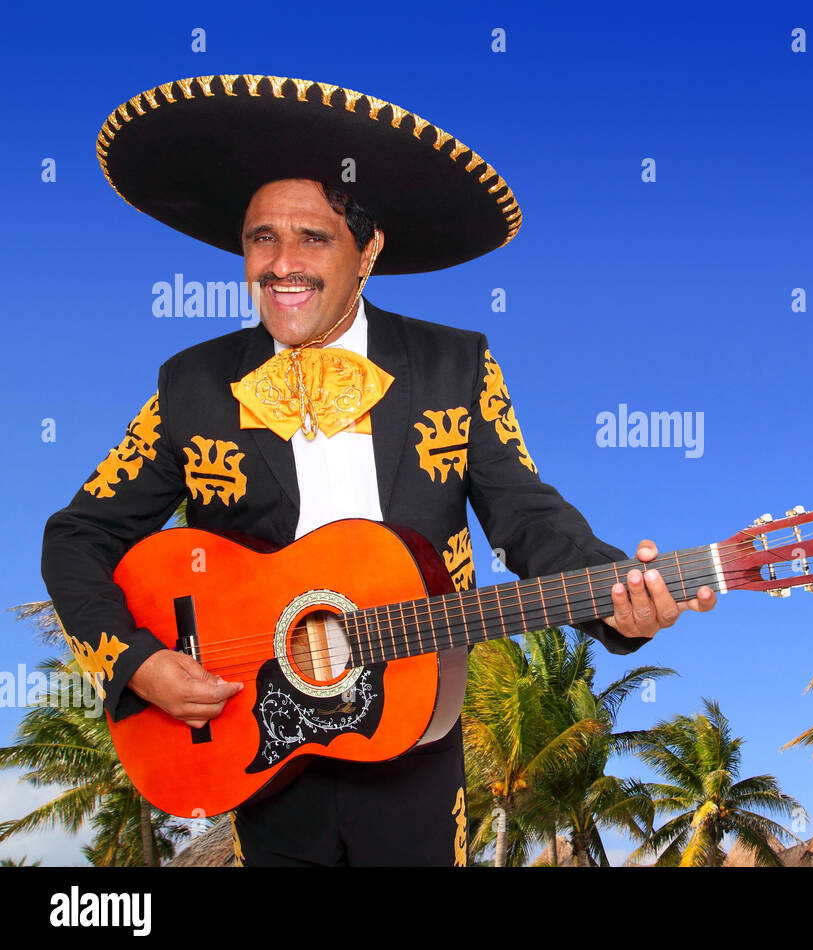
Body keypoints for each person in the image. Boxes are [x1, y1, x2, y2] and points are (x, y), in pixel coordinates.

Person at [42, 73, 716, 866]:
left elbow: (527, 517)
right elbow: (77, 536)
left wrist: (615, 597)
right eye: (262, 238)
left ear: (368, 251)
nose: (280, 264)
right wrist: (137, 664)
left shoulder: (453, 365)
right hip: (252, 747)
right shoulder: (192, 383)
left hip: (415, 735)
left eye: (312, 238)